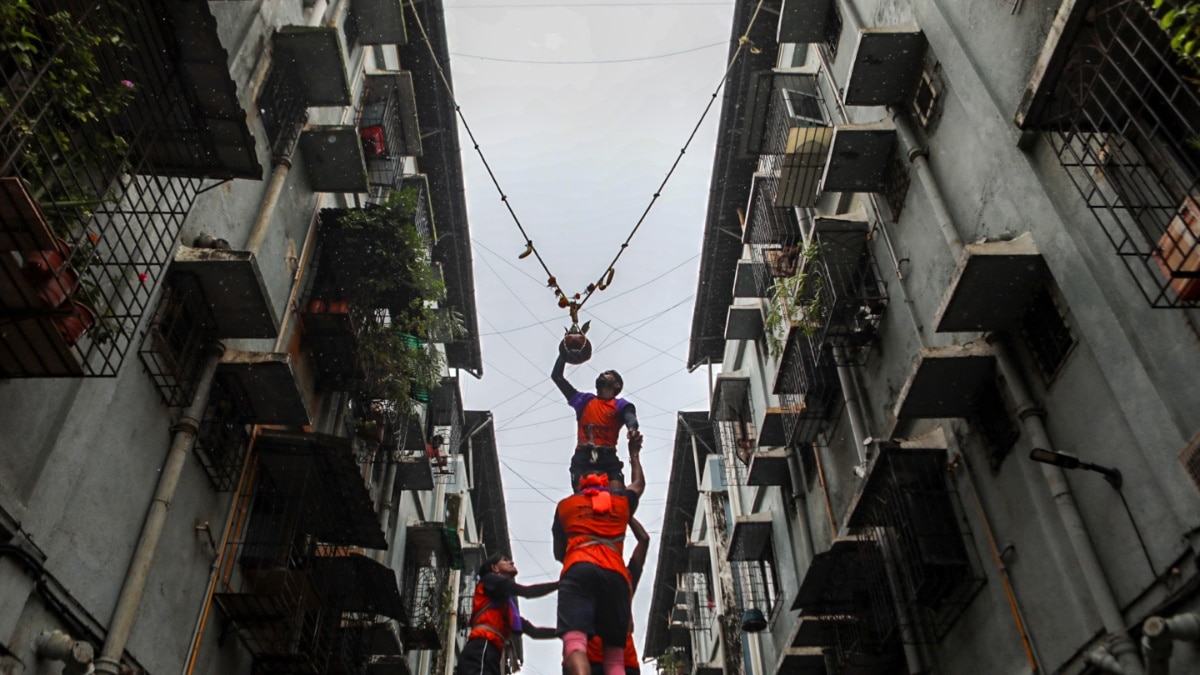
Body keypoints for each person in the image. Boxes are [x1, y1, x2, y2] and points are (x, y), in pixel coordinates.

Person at [552, 433, 646, 675]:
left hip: (579, 568)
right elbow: (638, 485)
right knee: (614, 657)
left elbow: (558, 553)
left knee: (574, 641)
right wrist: (634, 455)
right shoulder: (621, 503)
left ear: (580, 485)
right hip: (615, 577)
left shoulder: (565, 506)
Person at [551, 350, 640, 489]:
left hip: (608, 456)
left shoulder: (620, 404)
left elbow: (630, 417)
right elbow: (557, 377)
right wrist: (564, 353)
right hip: (583, 456)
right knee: (584, 497)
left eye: (608, 374)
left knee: (616, 495)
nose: (602, 374)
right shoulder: (584, 401)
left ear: (617, 385)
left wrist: (632, 429)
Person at [457, 553, 558, 675]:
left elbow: (534, 631)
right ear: (495, 568)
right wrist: (559, 584)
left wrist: (565, 632)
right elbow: (527, 592)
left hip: (491, 653)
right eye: (505, 560)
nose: (512, 562)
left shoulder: (506, 610)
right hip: (481, 647)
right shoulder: (490, 579)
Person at [582, 516, 650, 675]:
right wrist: (626, 513)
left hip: (604, 659)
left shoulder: (624, 577)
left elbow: (644, 540)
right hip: (610, 658)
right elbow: (644, 539)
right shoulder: (624, 578)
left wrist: (625, 512)